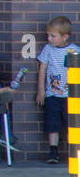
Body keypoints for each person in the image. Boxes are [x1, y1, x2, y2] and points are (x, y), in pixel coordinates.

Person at [35, 16, 78, 163]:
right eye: (48, 35)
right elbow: (43, 69)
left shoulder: (74, 51)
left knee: (71, 123)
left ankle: (74, 152)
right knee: (52, 123)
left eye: (53, 36)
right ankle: (53, 151)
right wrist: (41, 90)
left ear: (65, 37)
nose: (49, 39)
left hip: (70, 96)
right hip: (52, 94)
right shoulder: (48, 50)